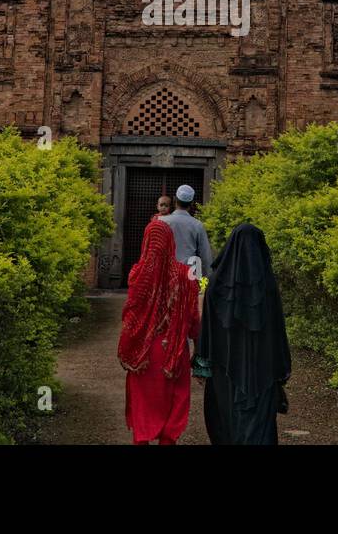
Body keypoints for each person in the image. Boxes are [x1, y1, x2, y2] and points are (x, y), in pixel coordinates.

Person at [199, 223, 291, 445]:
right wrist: (281, 369)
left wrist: (203, 365)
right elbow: (278, 330)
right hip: (262, 371)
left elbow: (208, 330)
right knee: (259, 427)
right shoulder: (267, 285)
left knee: (227, 421)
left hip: (224, 369)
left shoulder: (215, 285)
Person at [118, 219, 201, 445]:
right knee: (174, 403)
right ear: (171, 242)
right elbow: (193, 320)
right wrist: (199, 347)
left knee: (143, 405)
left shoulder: (137, 275)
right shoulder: (187, 276)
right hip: (173, 353)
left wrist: (128, 348)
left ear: (146, 243)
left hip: (143, 354)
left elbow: (131, 317)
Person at [160, 184, 214, 281]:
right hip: (190, 277)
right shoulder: (197, 225)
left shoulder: (162, 222)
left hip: (166, 277)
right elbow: (205, 258)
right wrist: (204, 283)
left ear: (174, 199)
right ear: (192, 203)